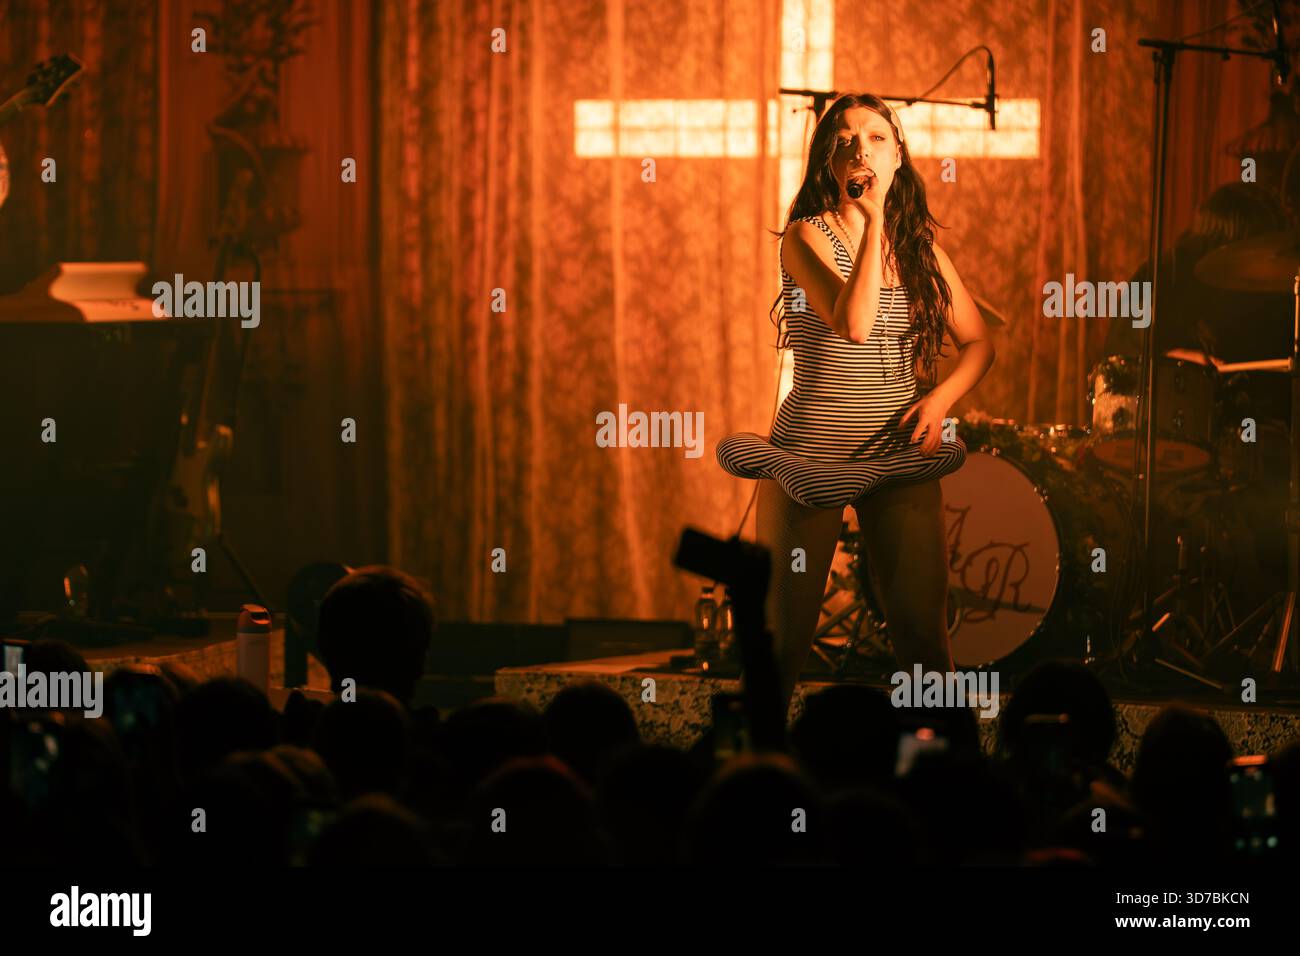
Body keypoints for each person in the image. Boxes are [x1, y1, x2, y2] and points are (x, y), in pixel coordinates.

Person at [716, 93, 995, 711]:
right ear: (827, 161)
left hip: (895, 453)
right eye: (842, 139)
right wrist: (871, 226)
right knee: (782, 646)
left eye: (873, 137)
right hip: (809, 455)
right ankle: (745, 779)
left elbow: (978, 343)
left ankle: (944, 778)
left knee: (925, 641)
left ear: (898, 157)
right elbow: (855, 323)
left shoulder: (922, 253)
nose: (858, 147)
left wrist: (941, 399)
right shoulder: (804, 236)